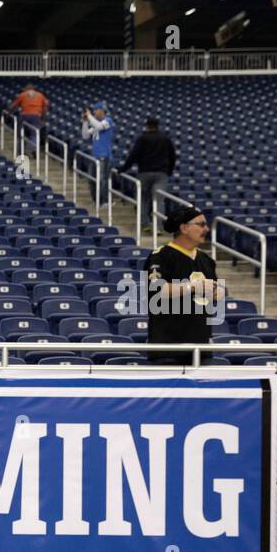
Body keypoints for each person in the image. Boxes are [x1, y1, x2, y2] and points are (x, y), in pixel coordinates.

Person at [143, 205, 219, 366]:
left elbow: (217, 292)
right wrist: (192, 287)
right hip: (168, 347)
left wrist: (217, 292)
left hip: (201, 347)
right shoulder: (161, 256)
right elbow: (157, 290)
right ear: (184, 228)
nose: (206, 229)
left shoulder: (206, 260)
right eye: (201, 224)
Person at [121, 117, 177, 230]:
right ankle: (159, 227)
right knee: (159, 200)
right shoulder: (165, 138)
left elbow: (133, 155)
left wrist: (124, 168)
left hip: (145, 172)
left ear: (147, 126)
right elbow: (173, 156)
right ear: (157, 125)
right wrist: (169, 171)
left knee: (142, 198)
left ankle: (144, 224)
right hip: (161, 173)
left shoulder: (142, 138)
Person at [80, 100, 115, 205]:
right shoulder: (95, 123)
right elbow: (85, 135)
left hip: (104, 156)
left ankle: (105, 201)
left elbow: (100, 126)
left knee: (102, 180)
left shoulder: (108, 120)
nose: (94, 112)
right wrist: (85, 122)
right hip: (95, 157)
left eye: (96, 110)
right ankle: (96, 201)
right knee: (92, 179)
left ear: (101, 110)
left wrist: (89, 116)